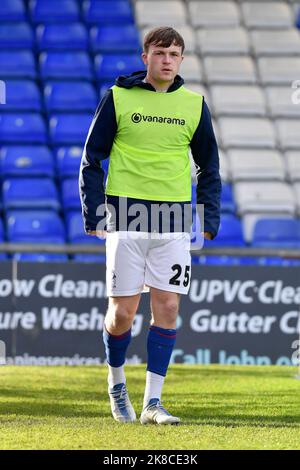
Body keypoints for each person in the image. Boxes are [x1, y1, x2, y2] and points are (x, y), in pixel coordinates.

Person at [79, 26, 221, 425]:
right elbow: (92, 158)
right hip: (125, 215)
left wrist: (208, 218)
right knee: (122, 314)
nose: (166, 60)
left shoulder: (195, 105)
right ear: (145, 57)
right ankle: (116, 383)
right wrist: (94, 212)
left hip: (174, 219)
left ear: (181, 60)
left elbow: (209, 166)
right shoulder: (118, 98)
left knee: (169, 306)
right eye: (160, 52)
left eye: (174, 54)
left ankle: (153, 403)